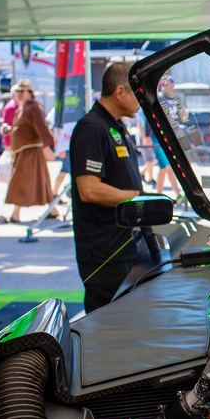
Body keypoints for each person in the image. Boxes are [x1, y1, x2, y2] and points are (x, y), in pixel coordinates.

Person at [70, 62, 144, 312]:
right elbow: (89, 189)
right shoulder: (91, 128)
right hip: (103, 253)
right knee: (103, 323)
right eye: (136, 93)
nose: (140, 101)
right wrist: (137, 199)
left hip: (123, 246)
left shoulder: (115, 126)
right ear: (120, 92)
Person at [4, 80, 55, 223]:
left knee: (20, 182)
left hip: (31, 153)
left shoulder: (33, 108)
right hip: (24, 152)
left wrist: (49, 147)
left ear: (29, 92)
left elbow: (42, 129)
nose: (19, 94)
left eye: (22, 91)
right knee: (41, 183)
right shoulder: (23, 108)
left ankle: (15, 213)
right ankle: (53, 209)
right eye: (17, 92)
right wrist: (10, 130)